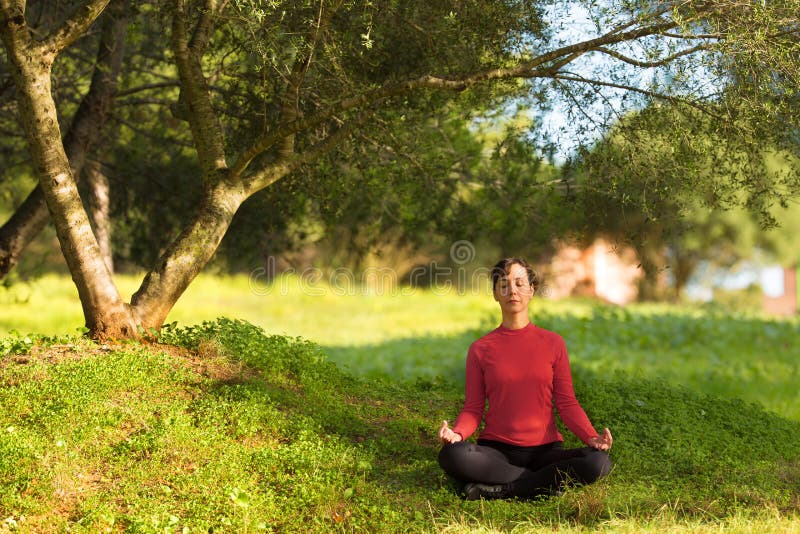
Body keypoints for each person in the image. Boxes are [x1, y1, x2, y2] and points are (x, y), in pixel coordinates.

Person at [437, 257, 612, 501]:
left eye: (520, 283)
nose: (513, 291)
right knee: (452, 455)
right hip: (497, 452)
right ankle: (539, 481)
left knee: (598, 463)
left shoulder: (553, 343)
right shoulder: (480, 349)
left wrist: (591, 437)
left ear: (532, 289)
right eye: (504, 285)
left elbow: (567, 403)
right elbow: (473, 408)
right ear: (495, 294)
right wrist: (458, 434)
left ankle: (504, 490)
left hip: (545, 451)